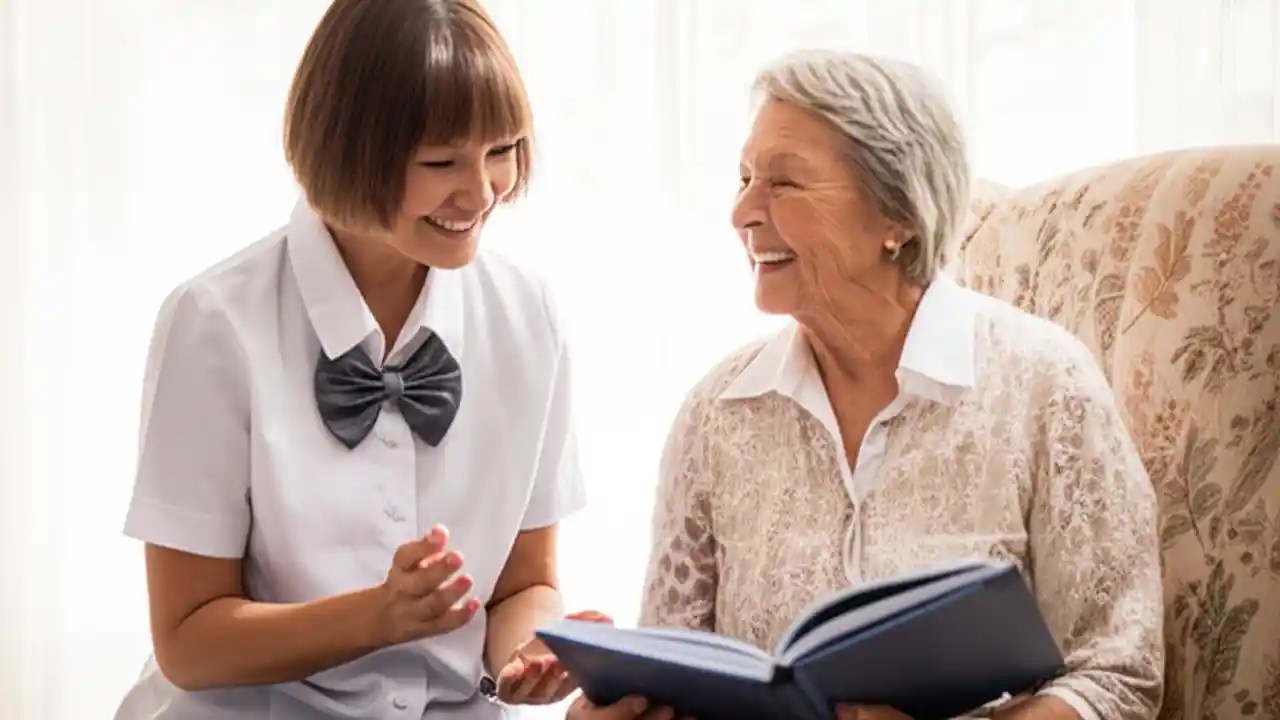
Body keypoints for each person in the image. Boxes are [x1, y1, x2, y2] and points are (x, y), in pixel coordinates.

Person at [568, 51, 1163, 720]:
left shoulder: (1046, 385)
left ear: (898, 215)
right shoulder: (716, 412)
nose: (743, 211)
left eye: (784, 183)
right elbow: (677, 673)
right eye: (743, 178)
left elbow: (1117, 675)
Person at [114, 1, 596, 717]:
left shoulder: (529, 315)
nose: (482, 191)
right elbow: (188, 639)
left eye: (503, 150)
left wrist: (530, 652)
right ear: (348, 148)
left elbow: (525, 584)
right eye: (441, 162)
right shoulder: (216, 324)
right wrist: (377, 615)